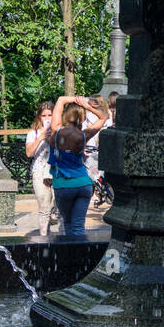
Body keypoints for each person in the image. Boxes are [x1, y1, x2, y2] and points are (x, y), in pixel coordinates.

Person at [48, 94, 109, 236]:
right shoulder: (83, 136)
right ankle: (82, 255)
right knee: (79, 225)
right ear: (81, 118)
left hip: (63, 185)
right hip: (83, 185)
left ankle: (70, 256)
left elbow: (60, 99)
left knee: (68, 223)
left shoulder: (56, 132)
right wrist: (86, 104)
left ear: (65, 116)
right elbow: (103, 117)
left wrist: (77, 99)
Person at [25, 101, 58, 236]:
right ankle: (44, 238)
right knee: (44, 208)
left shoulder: (60, 130)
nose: (47, 118)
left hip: (57, 171)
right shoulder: (33, 133)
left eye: (50, 115)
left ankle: (63, 237)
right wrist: (41, 137)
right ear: (39, 117)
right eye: (44, 115)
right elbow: (28, 153)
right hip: (39, 171)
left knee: (59, 209)